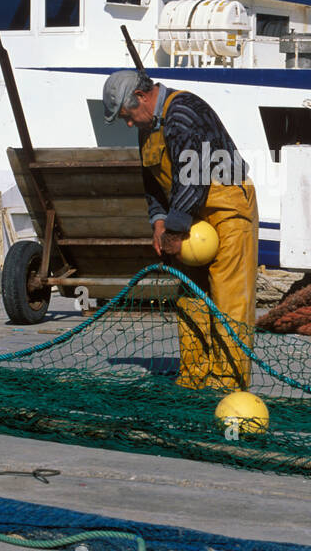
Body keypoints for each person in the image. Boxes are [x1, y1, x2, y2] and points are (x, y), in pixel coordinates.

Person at [102, 70, 258, 391]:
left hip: (227, 203)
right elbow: (153, 185)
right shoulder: (148, 127)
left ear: (142, 98)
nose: (129, 125)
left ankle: (228, 380)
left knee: (229, 295)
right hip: (188, 214)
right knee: (190, 294)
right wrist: (159, 222)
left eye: (128, 117)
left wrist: (174, 231)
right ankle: (194, 374)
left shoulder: (184, 111)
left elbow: (194, 175)